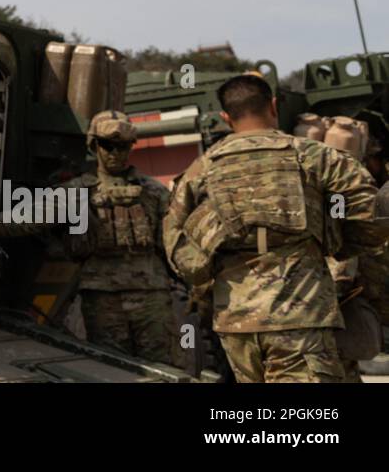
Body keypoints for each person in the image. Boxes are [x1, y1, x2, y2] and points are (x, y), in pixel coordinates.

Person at [163, 74, 388, 382]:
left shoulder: (201, 169)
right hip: (301, 314)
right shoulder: (314, 155)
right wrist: (338, 245)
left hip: (236, 321)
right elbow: (372, 214)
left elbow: (174, 235)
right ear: (273, 105)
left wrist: (206, 270)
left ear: (225, 117)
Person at [63, 111, 178, 362]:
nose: (115, 153)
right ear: (94, 146)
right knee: (112, 369)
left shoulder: (154, 191)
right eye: (107, 145)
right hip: (103, 298)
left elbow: (171, 244)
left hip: (151, 295)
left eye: (122, 146)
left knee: (165, 367)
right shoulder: (76, 191)